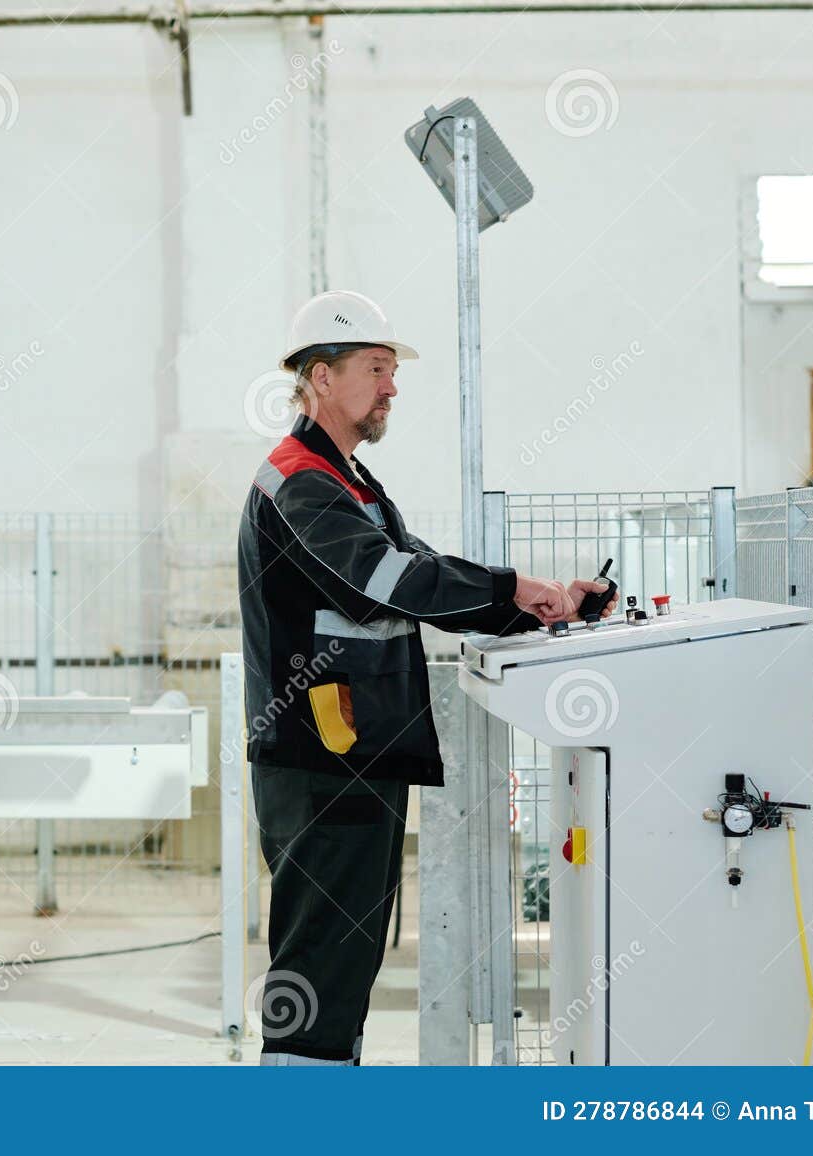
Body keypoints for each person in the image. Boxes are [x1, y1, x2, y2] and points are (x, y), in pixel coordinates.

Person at [237, 288, 614, 1065]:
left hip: (355, 754)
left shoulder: (349, 482)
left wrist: (535, 607)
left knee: (345, 967)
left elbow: (423, 576)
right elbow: (389, 580)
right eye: (376, 368)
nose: (392, 386)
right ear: (318, 376)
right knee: (319, 970)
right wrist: (509, 587)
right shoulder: (300, 482)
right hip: (321, 765)